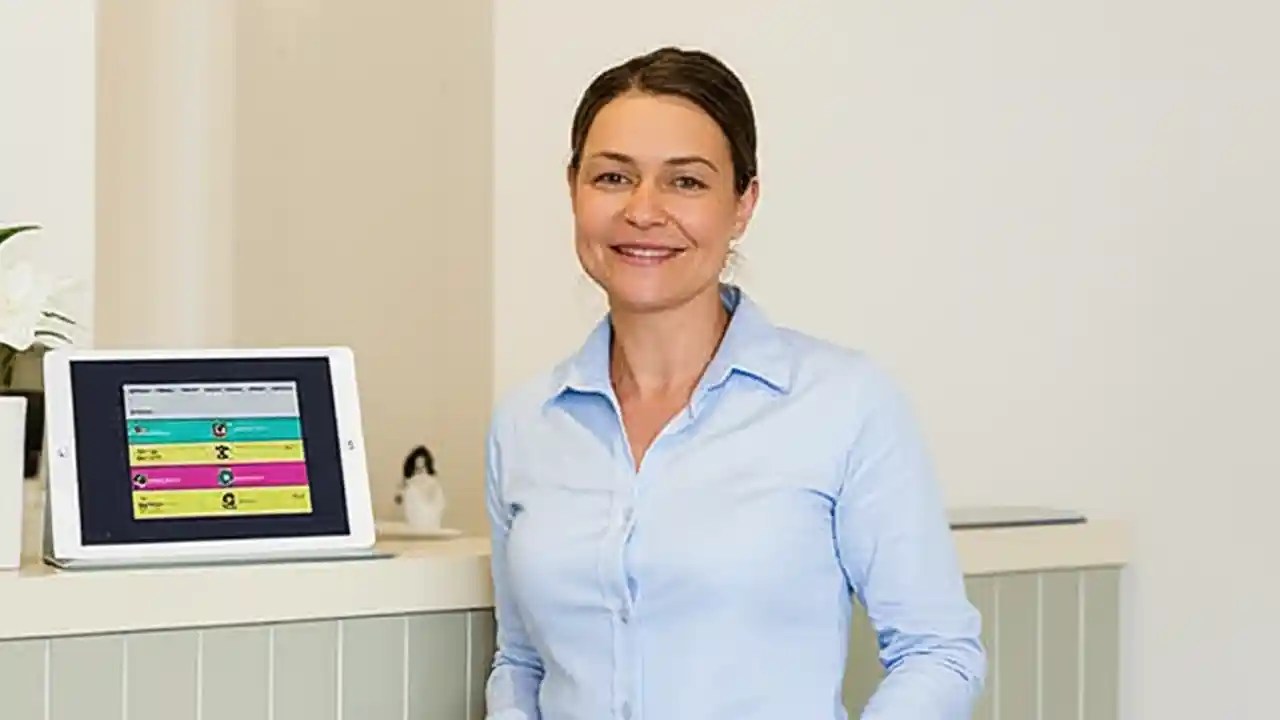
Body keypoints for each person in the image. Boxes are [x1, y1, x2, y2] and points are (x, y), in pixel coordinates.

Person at [483, 46, 985, 720]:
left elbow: (938, 651)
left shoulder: (844, 405)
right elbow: (522, 663)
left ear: (742, 203)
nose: (643, 210)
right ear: (573, 188)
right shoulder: (525, 425)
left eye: (685, 182)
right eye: (612, 177)